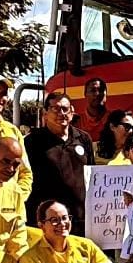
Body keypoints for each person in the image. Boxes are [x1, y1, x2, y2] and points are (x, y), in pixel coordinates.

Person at [23, 91, 95, 234]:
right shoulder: (32, 142)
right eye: (55, 109)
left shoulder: (84, 138)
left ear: (72, 112)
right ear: (45, 113)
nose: (60, 113)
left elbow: (92, 176)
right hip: (47, 222)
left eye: (65, 109)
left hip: (79, 221)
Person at [76, 78, 109, 143]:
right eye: (93, 90)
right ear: (85, 94)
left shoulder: (115, 119)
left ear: (106, 94)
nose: (97, 94)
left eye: (101, 90)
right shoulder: (76, 122)